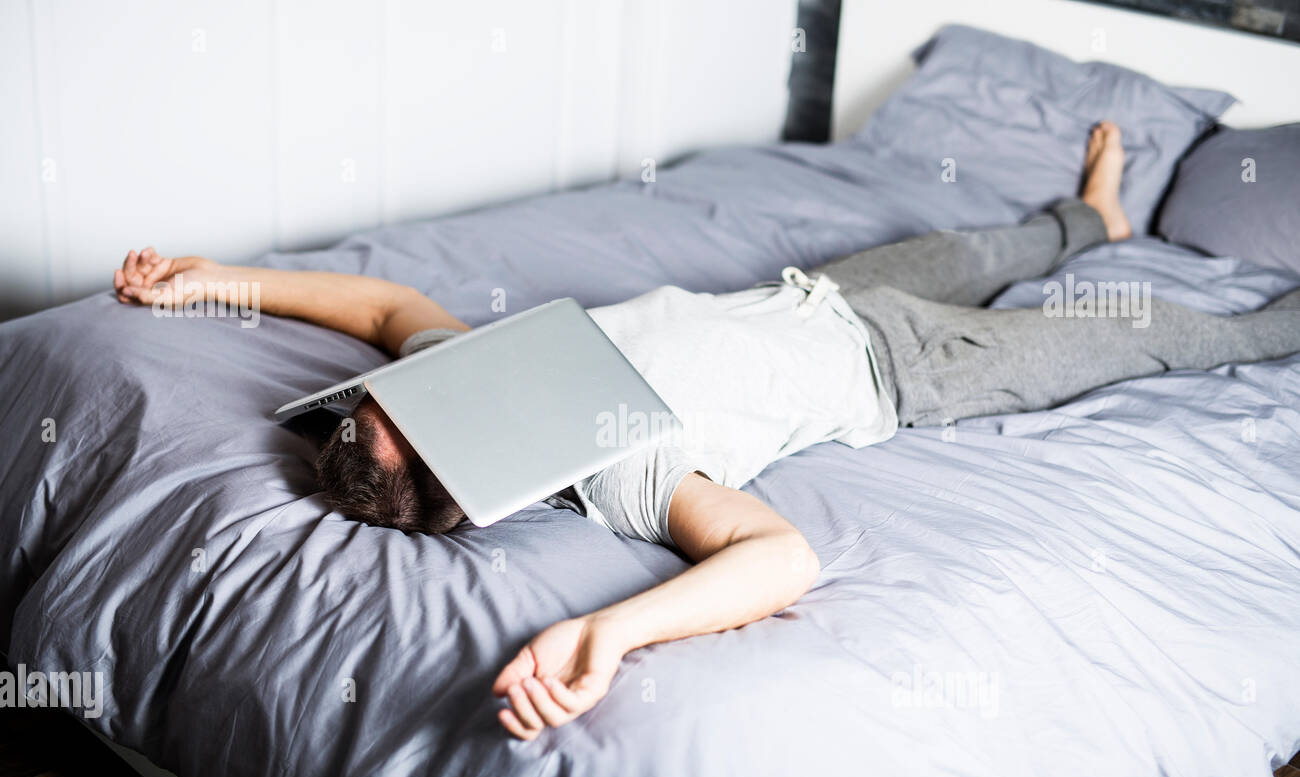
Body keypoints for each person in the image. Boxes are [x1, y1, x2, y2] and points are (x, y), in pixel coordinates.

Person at [111, 123, 1300, 740]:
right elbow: (778, 558)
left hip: (822, 287)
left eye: (403, 392)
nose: (435, 373)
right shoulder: (621, 467)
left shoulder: (465, 376)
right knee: (1158, 333)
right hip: (920, 366)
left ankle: (1085, 216)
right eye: (415, 409)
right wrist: (610, 632)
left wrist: (210, 280)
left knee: (1000, 247)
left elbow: (376, 305)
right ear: (472, 466)